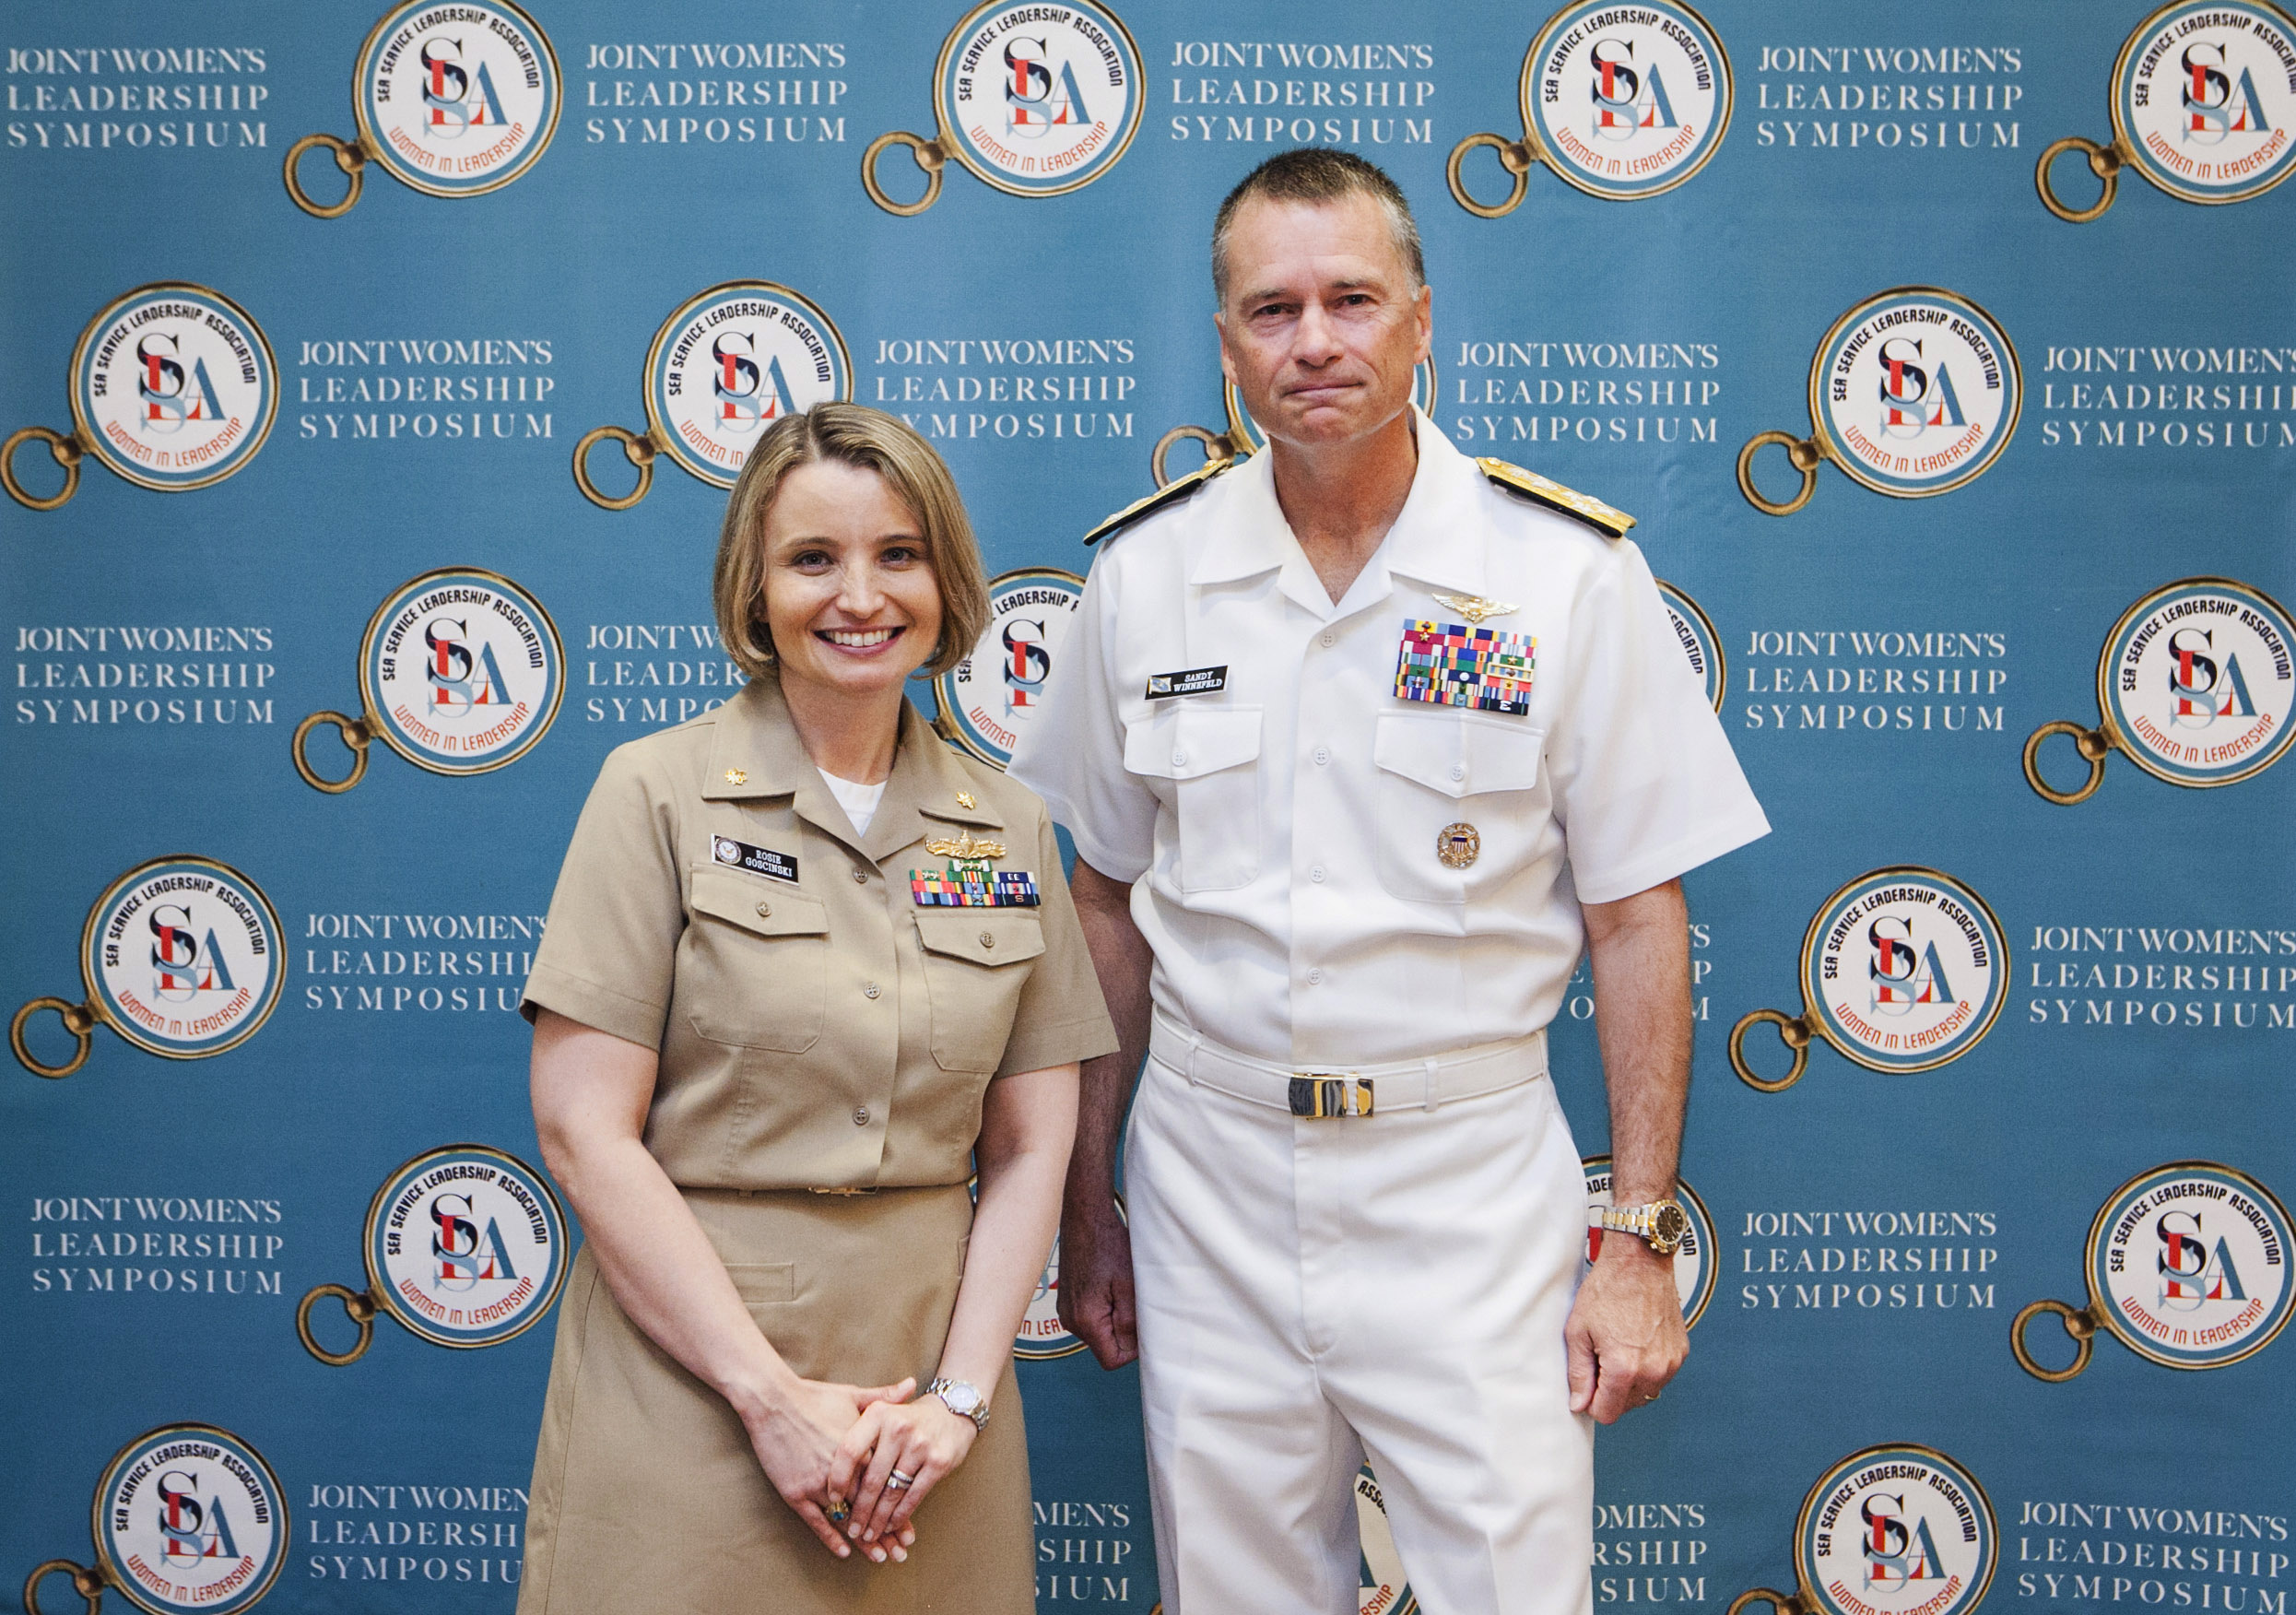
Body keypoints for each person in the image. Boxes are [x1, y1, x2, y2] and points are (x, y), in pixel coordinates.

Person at [1008, 148, 1770, 1615]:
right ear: (1224, 342)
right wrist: (1087, 1201)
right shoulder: (1144, 581)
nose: (1315, 342)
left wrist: (1637, 1238)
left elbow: (1635, 918)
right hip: (1208, 1176)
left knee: (1508, 1590)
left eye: (1352, 299)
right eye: (1271, 309)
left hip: (1469, 1185)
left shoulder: (1565, 577)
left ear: (1423, 319)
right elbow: (1100, 902)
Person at [515, 402, 1117, 1615]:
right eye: (813, 559)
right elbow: (585, 1132)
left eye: (898, 554)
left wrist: (955, 1402)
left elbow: (1034, 1144)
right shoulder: (656, 794)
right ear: (756, 586)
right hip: (693, 1380)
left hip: (927, 1402)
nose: (861, 596)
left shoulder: (1009, 826)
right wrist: (769, 1399)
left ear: (946, 578)